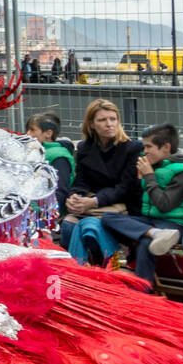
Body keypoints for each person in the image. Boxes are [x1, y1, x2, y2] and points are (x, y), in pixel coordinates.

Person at [101, 124, 183, 283]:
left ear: (166, 147)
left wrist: (149, 176)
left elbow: (164, 205)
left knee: (146, 242)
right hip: (153, 224)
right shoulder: (156, 166)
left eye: (149, 146)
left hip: (178, 224)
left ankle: (142, 291)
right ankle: (115, 269)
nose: (144, 151)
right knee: (107, 218)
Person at [61, 98, 142, 266]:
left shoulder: (132, 148)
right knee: (68, 224)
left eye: (113, 119)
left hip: (122, 207)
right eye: (102, 120)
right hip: (91, 205)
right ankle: (78, 272)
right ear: (92, 124)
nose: (109, 124)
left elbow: (125, 188)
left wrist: (93, 201)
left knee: (89, 229)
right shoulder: (84, 148)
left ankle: (101, 268)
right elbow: (80, 181)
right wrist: (74, 197)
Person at [26, 111, 72, 216]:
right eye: (28, 130)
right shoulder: (33, 153)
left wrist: (40, 213)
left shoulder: (59, 156)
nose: (28, 134)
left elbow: (60, 192)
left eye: (33, 130)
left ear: (48, 133)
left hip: (49, 215)